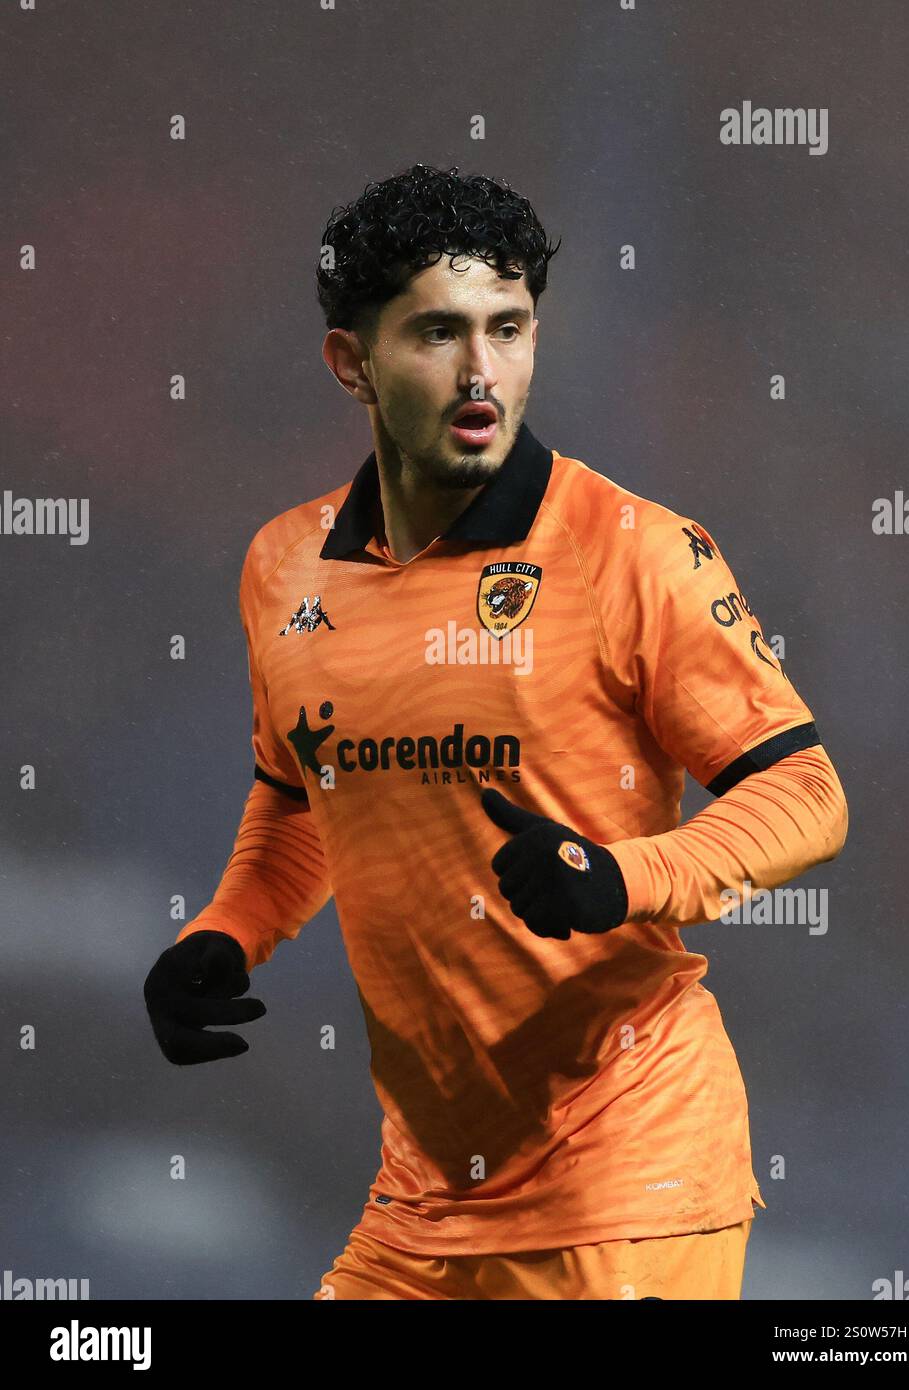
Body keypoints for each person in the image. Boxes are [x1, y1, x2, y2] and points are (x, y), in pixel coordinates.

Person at [144, 163, 849, 1300]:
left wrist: (619, 879)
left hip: (629, 1182)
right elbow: (302, 793)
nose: (482, 371)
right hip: (423, 1203)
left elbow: (809, 793)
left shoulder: (636, 551)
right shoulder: (285, 565)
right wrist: (227, 930)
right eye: (437, 331)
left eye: (508, 327)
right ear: (351, 363)